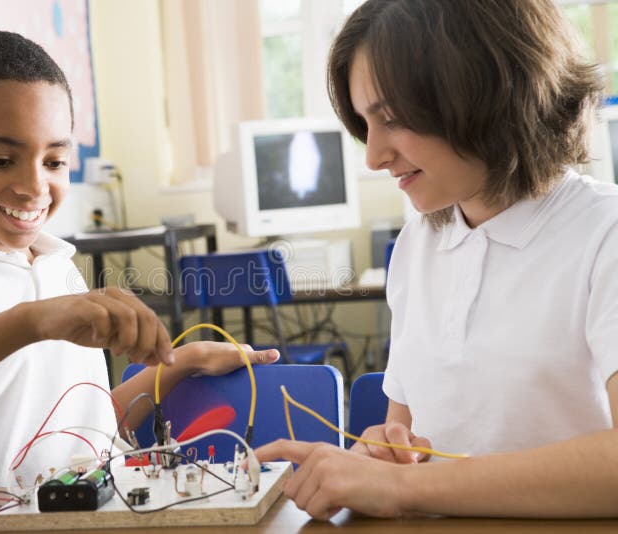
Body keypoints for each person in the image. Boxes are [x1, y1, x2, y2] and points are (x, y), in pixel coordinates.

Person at [0, 30, 278, 491]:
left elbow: (78, 432)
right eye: (0, 160)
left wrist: (179, 364)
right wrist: (27, 322)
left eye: (55, 162)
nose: (35, 188)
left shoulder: (56, 265)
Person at [256, 0, 618, 519]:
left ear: (486, 91)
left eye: (394, 119)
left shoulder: (606, 232)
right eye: (365, 123)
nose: (373, 155)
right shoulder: (416, 248)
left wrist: (404, 489)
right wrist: (383, 458)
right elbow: (409, 444)